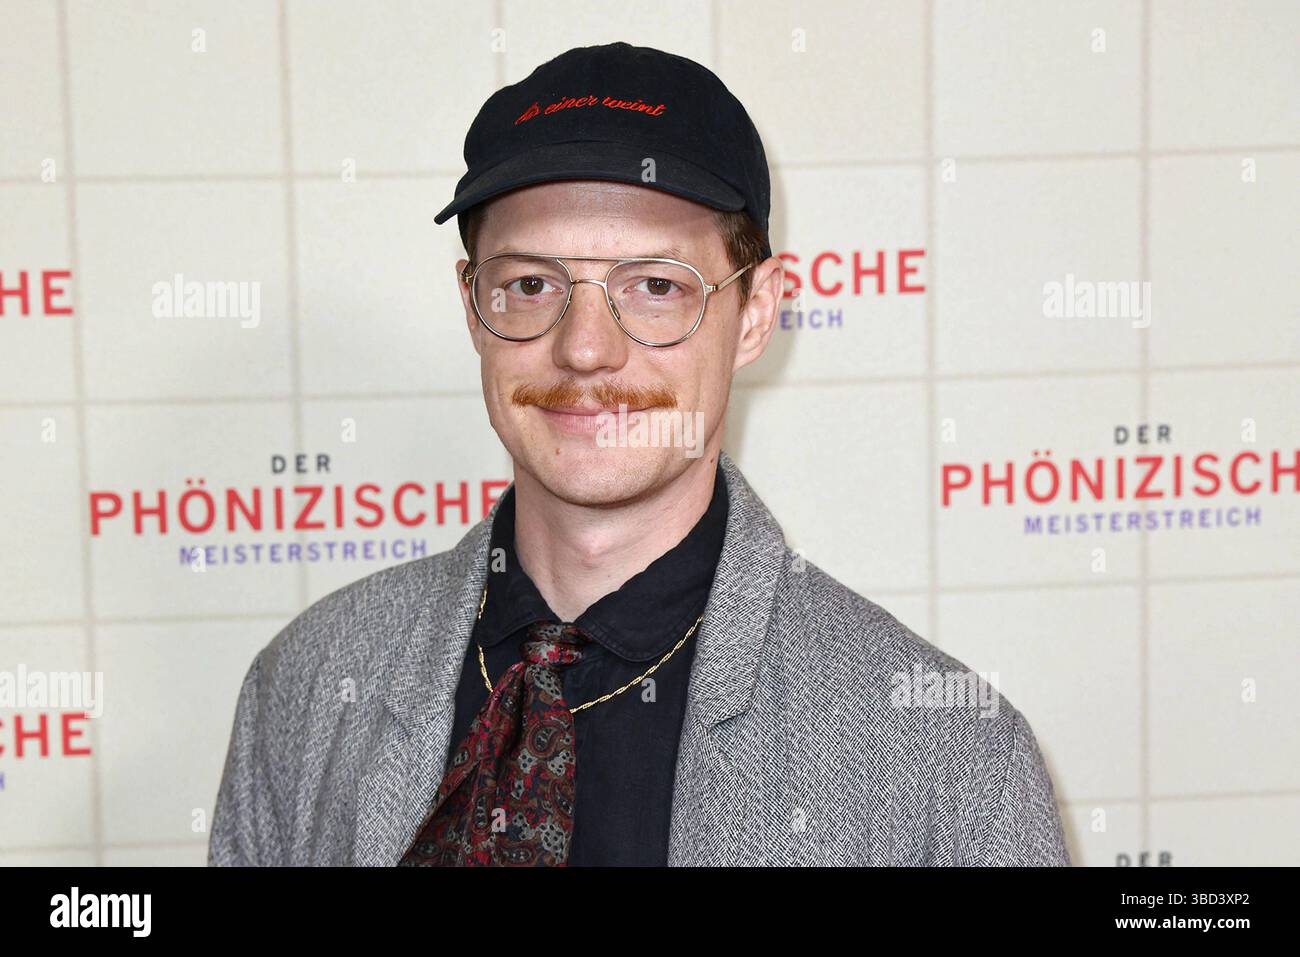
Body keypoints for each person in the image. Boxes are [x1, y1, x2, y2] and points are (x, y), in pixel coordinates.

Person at [209, 41, 1070, 867]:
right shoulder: (308, 685)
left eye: (655, 286)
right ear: (473, 308)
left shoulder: (949, 760)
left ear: (759, 313)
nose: (586, 350)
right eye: (531, 284)